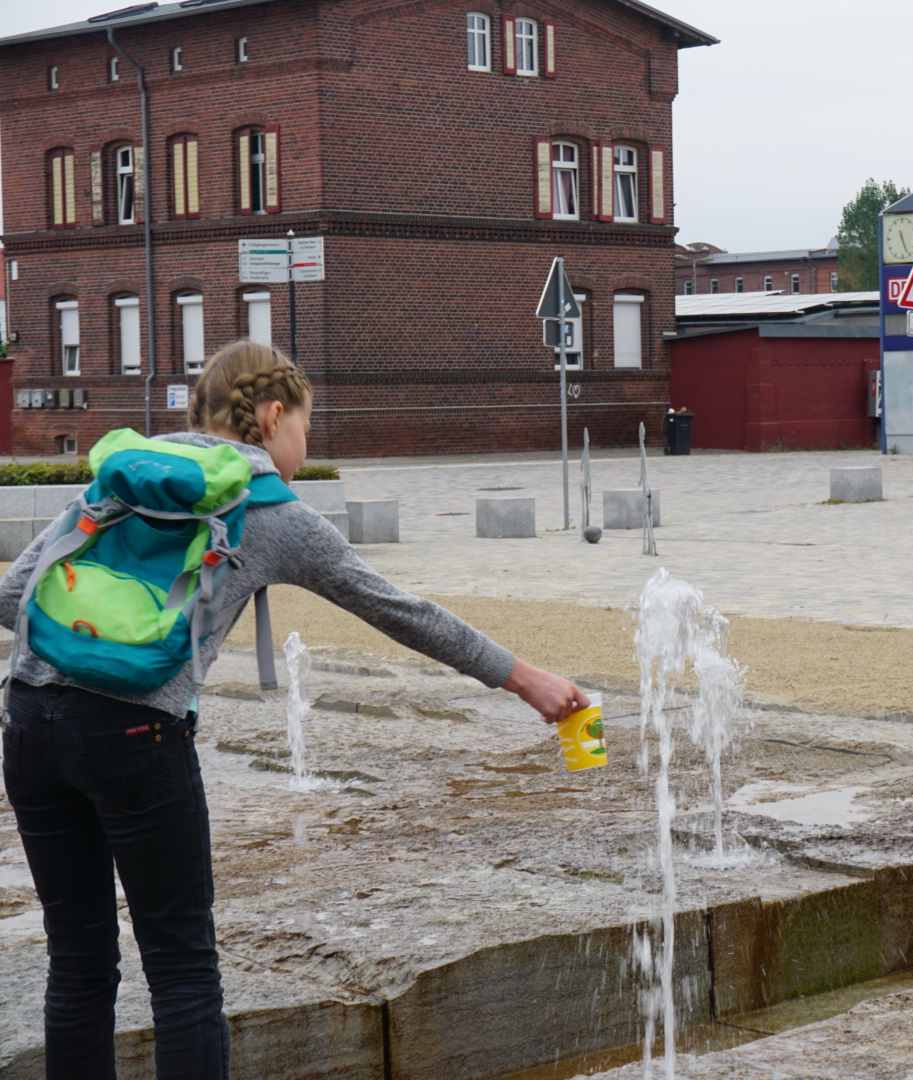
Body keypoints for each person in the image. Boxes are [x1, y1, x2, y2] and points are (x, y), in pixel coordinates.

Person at [0, 341, 590, 1079]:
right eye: (305, 426)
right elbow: (398, 610)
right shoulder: (270, 510)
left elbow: (13, 595)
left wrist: (91, 636)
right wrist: (523, 678)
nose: (305, 446)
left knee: (78, 961)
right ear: (272, 415)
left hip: (29, 724)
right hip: (135, 734)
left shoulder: (121, 479)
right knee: (183, 971)